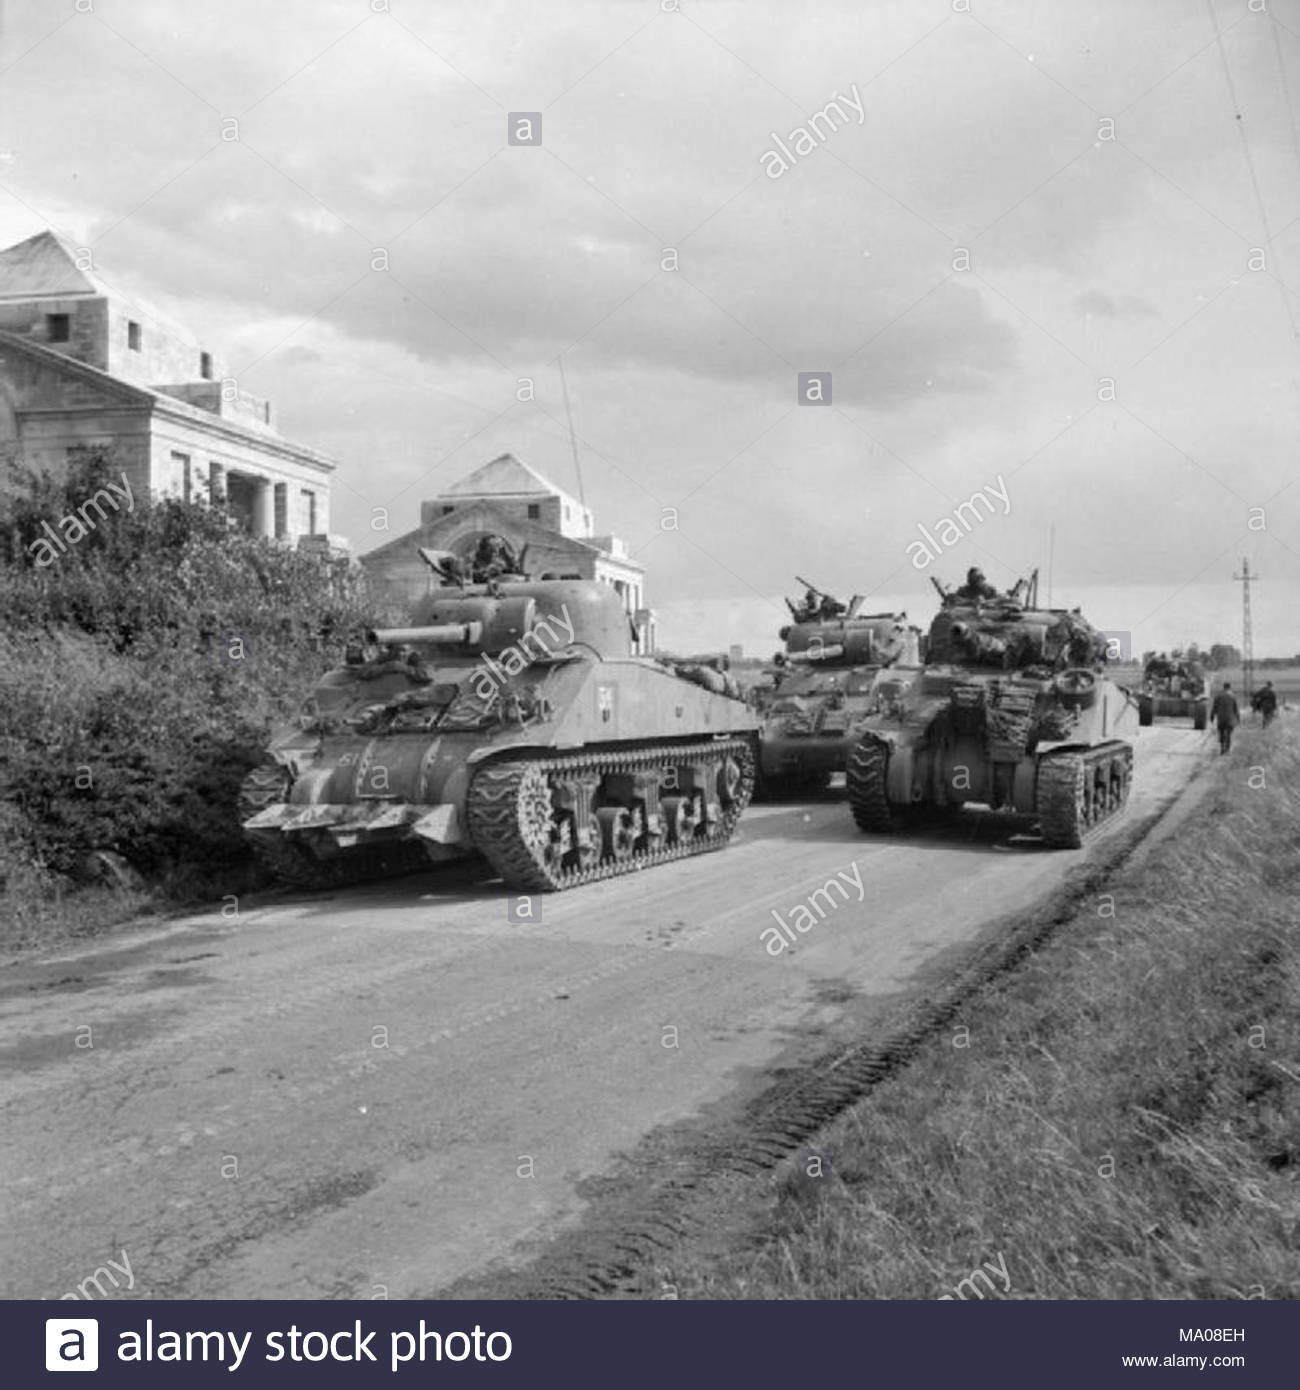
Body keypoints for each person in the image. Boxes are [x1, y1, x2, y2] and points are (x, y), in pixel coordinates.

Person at [1211, 681, 1240, 754]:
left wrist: (1212, 716)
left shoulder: (1218, 696)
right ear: (1230, 687)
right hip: (1230, 718)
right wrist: (1238, 718)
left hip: (1221, 718)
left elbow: (1214, 707)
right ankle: (1227, 749)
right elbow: (1236, 709)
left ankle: (1222, 748)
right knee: (1229, 734)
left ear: (1223, 687)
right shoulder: (1233, 696)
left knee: (1221, 732)